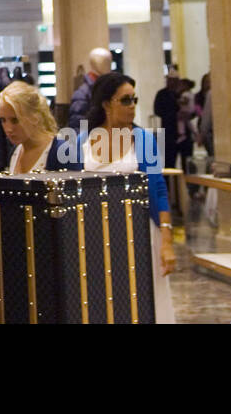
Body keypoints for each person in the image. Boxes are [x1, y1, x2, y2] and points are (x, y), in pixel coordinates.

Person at [74, 72, 177, 323]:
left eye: (134, 100)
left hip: (140, 233)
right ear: (107, 104)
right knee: (102, 300)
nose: (132, 106)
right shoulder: (82, 141)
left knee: (146, 300)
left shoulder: (142, 140)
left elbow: (159, 189)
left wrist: (166, 240)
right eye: (125, 100)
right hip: (95, 236)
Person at [0, 82, 73, 173]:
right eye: (3, 120)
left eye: (15, 120)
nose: (8, 129)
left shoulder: (63, 151)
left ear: (35, 118)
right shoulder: (16, 151)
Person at [67, 47, 112, 133]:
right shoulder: (82, 94)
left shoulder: (109, 89)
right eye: (104, 62)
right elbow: (78, 126)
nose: (107, 66)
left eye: (108, 62)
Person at [152, 70, 181, 169]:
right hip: (168, 132)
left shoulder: (181, 94)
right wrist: (172, 114)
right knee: (169, 161)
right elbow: (157, 110)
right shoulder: (162, 94)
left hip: (183, 133)